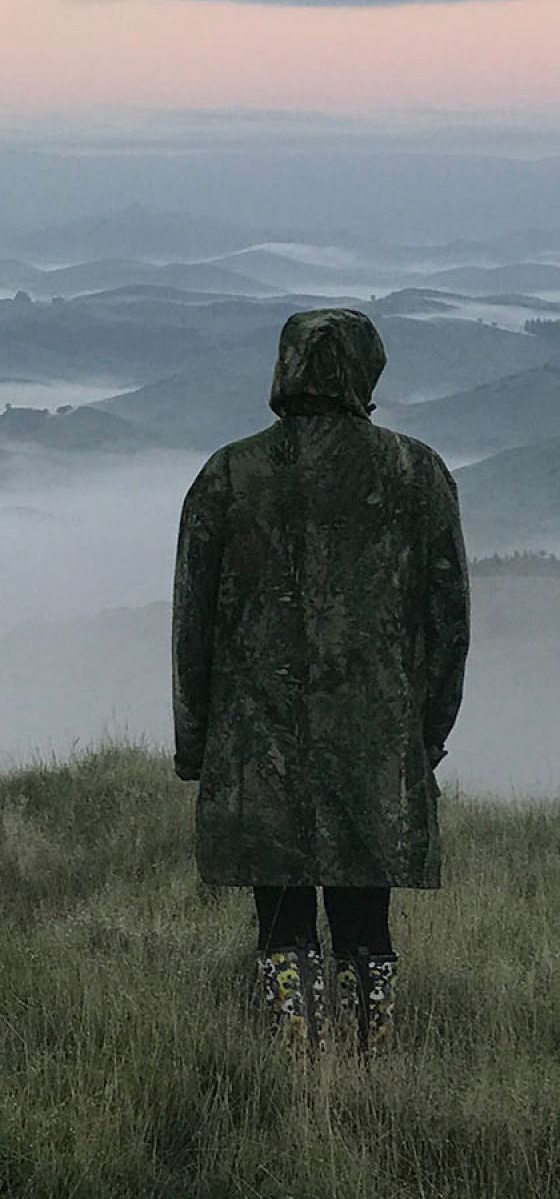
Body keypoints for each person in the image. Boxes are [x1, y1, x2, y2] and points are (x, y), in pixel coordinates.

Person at [172, 308, 469, 1054]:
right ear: (368, 370)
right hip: (376, 737)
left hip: (255, 740)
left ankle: (297, 1063)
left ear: (285, 368)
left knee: (279, 919)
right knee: (366, 917)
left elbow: (192, 625)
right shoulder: (417, 472)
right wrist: (425, 735)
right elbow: (449, 621)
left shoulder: (227, 473)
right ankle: (370, 1061)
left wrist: (197, 745)